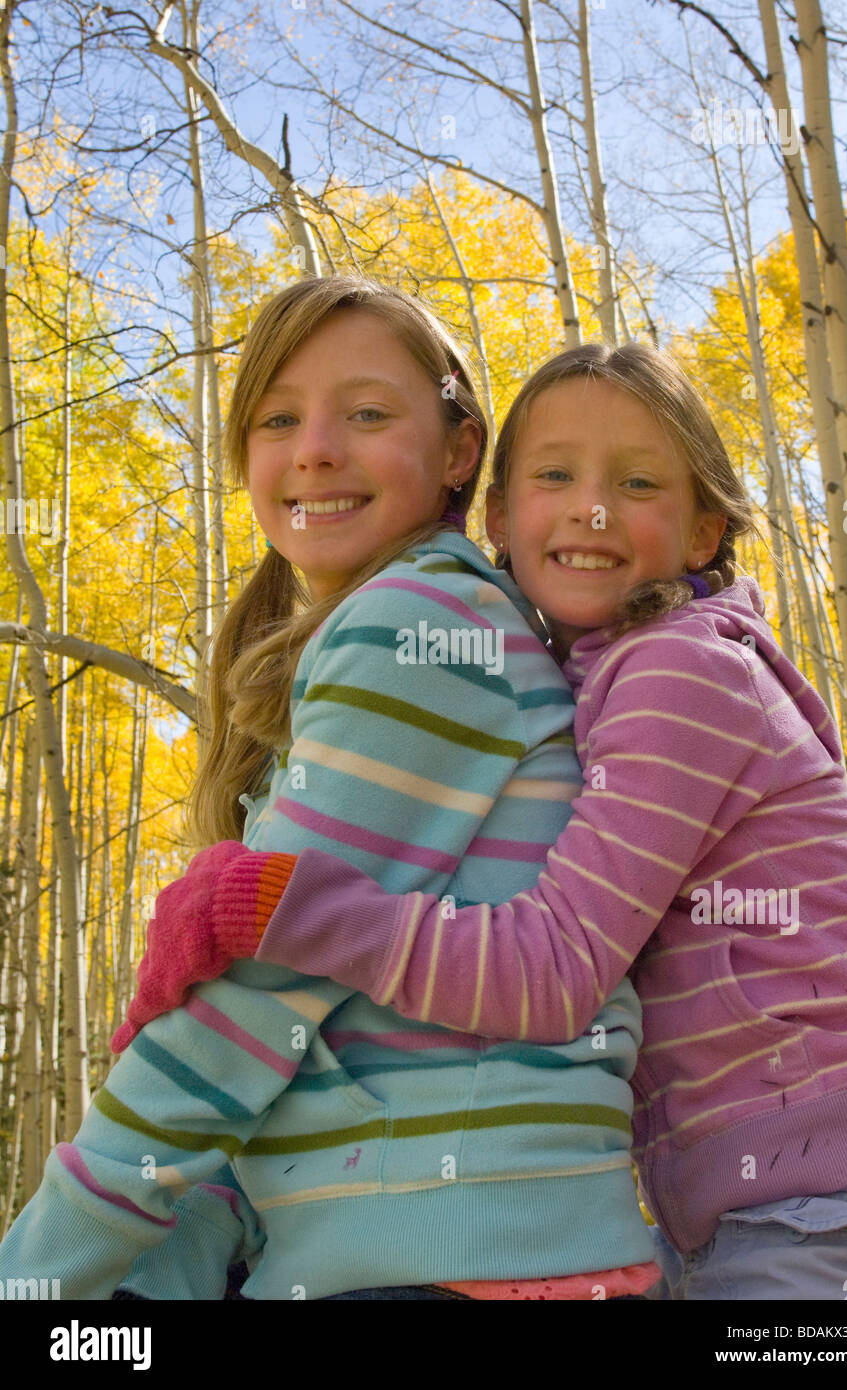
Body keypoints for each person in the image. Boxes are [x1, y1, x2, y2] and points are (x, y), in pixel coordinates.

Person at [123, 340, 847, 1301]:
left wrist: (284, 905)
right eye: (555, 476)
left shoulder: (679, 671)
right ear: (497, 515)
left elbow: (557, 972)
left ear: (705, 531)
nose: (592, 509)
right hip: (755, 1203)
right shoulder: (592, 685)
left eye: (638, 483)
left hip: (828, 1201)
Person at [0, 281, 659, 1301]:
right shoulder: (407, 627)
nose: (314, 449)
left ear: (459, 451)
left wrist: (39, 1274)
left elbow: (249, 1009)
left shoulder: (420, 626)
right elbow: (290, 1059)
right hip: (433, 1254)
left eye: (367, 413)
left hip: (451, 1261)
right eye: (278, 420)